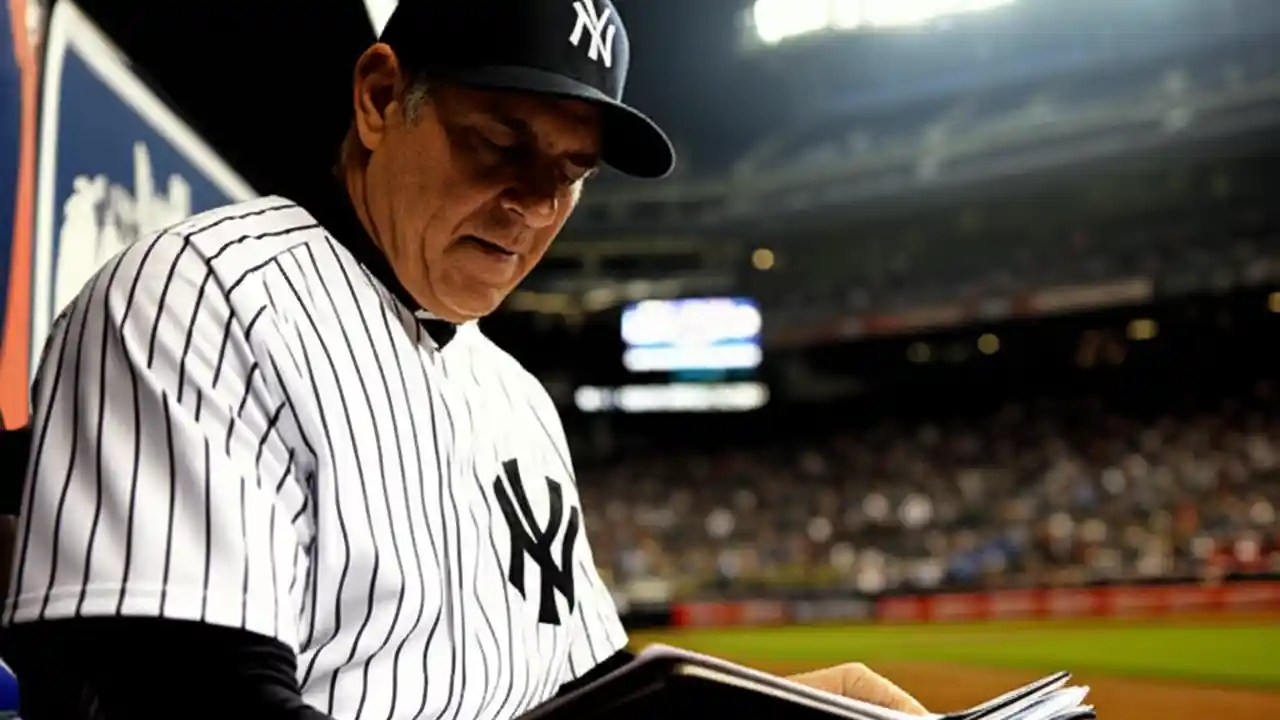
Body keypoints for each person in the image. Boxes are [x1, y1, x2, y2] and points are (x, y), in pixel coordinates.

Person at [0, 0, 927, 717]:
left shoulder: (518, 399)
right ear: (377, 99)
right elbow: (168, 702)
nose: (530, 203)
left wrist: (790, 710)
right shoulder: (204, 295)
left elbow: (581, 693)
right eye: (498, 143)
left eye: (568, 175)